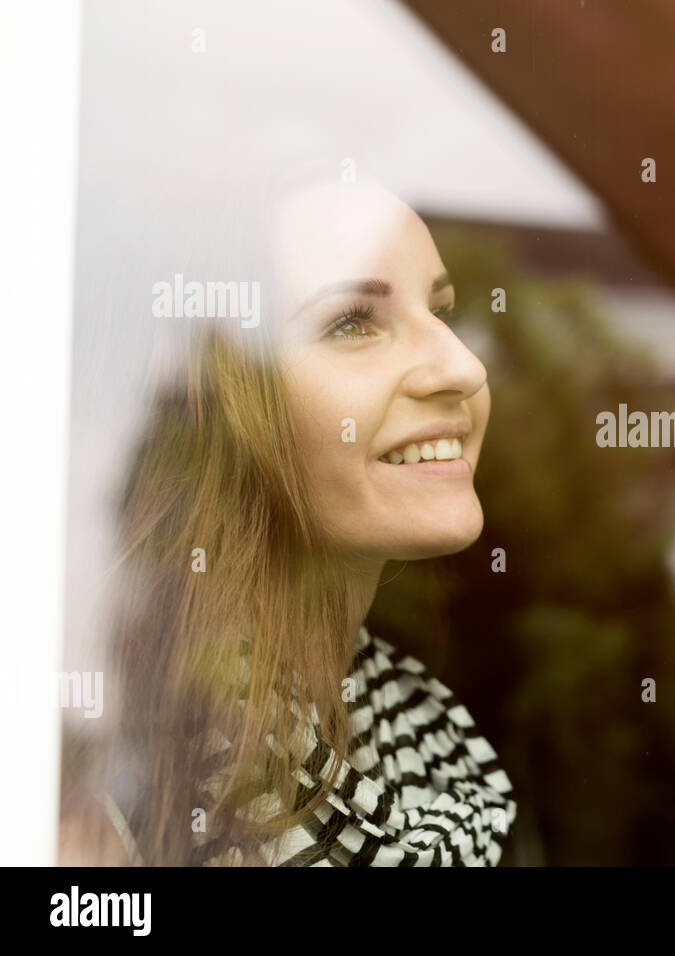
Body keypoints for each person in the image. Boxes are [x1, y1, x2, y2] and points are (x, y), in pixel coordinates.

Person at [82, 177, 515, 866]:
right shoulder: (107, 823)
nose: (462, 365)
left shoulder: (429, 743)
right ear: (223, 413)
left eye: (443, 311)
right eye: (353, 322)